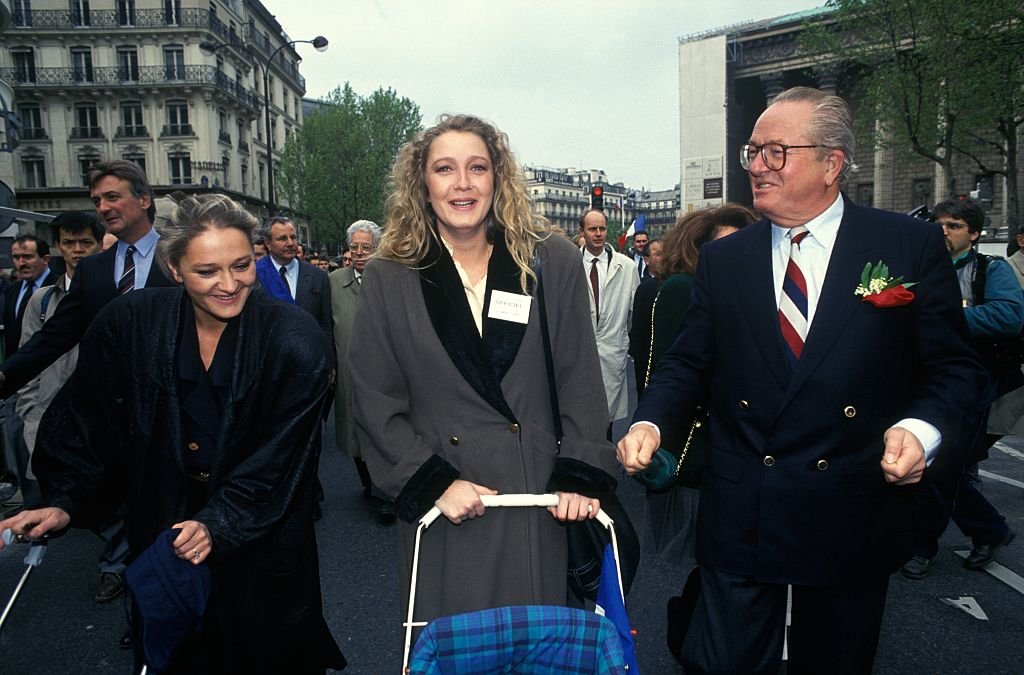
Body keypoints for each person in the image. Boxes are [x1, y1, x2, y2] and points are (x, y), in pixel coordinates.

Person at [617, 87, 987, 674]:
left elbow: (956, 370)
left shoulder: (904, 246)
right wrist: (650, 421)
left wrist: (921, 431)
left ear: (832, 163)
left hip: (850, 504)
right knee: (724, 663)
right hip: (742, 505)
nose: (756, 167)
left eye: (775, 152)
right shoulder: (725, 259)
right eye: (753, 152)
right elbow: (687, 365)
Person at [0, 194, 346, 674]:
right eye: (207, 271)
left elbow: (284, 455)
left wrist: (218, 523)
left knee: (267, 653)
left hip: (261, 536)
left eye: (242, 265)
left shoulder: (294, 338)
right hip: (161, 523)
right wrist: (66, 499)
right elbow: (89, 421)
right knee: (177, 654)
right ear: (174, 267)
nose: (229, 284)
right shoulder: (131, 323)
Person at [348, 114, 618, 627]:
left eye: (478, 167)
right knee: (457, 649)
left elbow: (579, 377)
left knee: (537, 650)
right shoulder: (390, 274)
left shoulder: (549, 260)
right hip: (450, 503)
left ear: (498, 178)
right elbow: (374, 398)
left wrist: (582, 474)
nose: (463, 183)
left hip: (537, 497)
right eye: (445, 168)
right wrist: (431, 483)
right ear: (422, 184)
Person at [0, 160, 176, 603]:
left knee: (168, 506)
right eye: (97, 200)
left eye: (113, 196)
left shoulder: (179, 255)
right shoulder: (95, 271)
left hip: (173, 407)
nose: (103, 207)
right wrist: (5, 375)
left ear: (144, 198)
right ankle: (130, 581)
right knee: (118, 497)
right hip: (111, 412)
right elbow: (57, 335)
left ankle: (163, 596)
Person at [902, 198, 1022, 579]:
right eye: (939, 224)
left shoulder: (990, 268)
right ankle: (990, 530)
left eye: (954, 226)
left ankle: (922, 547)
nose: (944, 232)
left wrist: (944, 315)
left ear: (974, 234)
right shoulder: (920, 265)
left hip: (971, 382)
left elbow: (1009, 315)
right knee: (934, 465)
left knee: (942, 466)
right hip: (920, 377)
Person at [14, 213, 103, 510]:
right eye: (69, 243)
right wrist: (31, 417)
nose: (77, 250)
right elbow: (27, 360)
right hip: (49, 418)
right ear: (57, 247)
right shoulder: (42, 300)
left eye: (85, 242)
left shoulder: (112, 294)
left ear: (100, 245)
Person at [329, 219, 396, 524]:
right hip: (347, 372)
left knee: (385, 430)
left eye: (365, 247)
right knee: (354, 434)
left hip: (386, 371)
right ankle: (370, 485)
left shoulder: (390, 276)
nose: (358, 253)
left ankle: (385, 493)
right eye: (354, 247)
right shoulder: (333, 282)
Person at [579, 208, 640, 434]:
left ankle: (607, 464)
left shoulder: (626, 267)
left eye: (602, 228)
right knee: (581, 417)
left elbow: (634, 311)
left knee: (608, 421)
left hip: (612, 350)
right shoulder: (571, 264)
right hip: (580, 352)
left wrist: (622, 338)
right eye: (592, 229)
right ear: (582, 232)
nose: (598, 233)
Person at [629, 237, 663, 397]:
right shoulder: (644, 288)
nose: (664, 257)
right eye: (658, 254)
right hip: (648, 363)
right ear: (647, 260)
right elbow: (638, 331)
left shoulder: (678, 283)